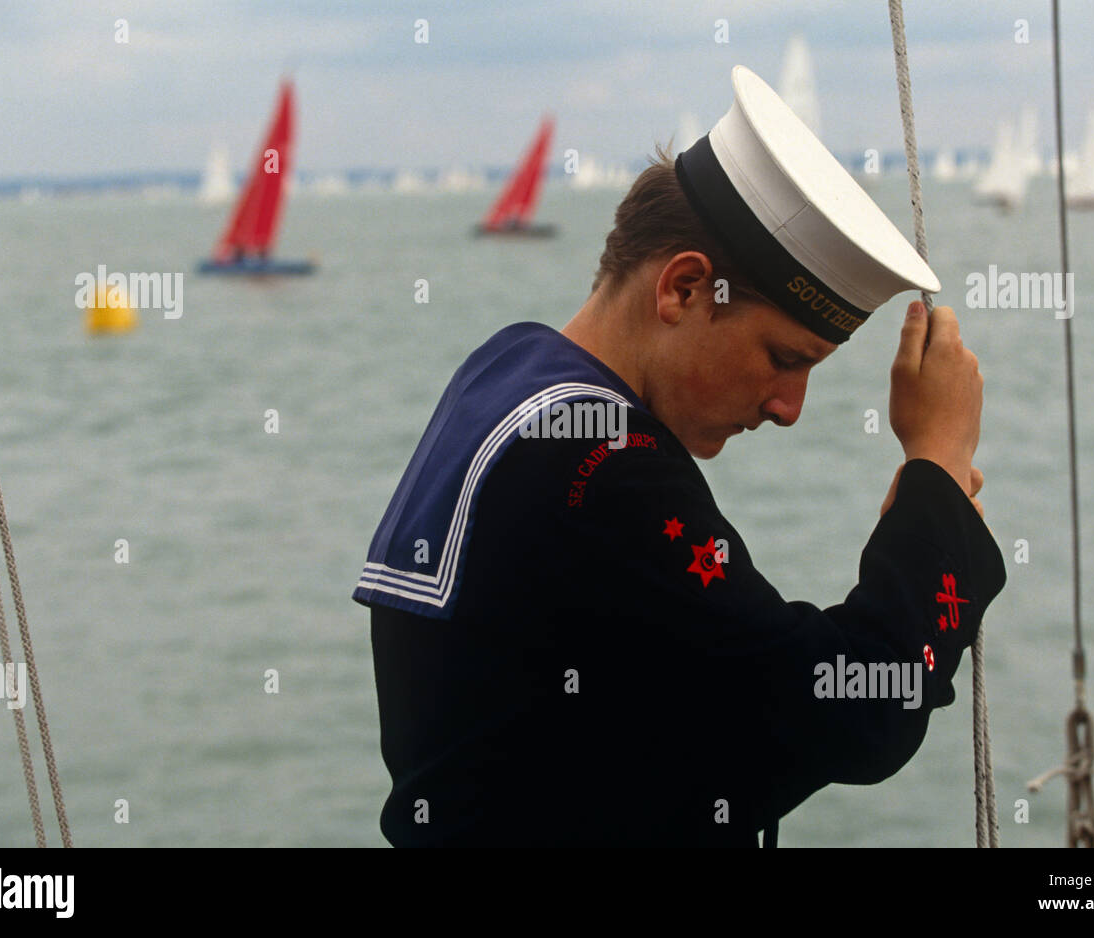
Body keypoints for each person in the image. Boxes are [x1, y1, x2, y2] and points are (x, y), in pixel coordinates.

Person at [354, 65, 1007, 846]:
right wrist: (936, 470)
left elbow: (677, 710)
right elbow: (852, 709)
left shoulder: (505, 376)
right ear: (684, 289)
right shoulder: (601, 463)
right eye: (783, 358)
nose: (788, 408)